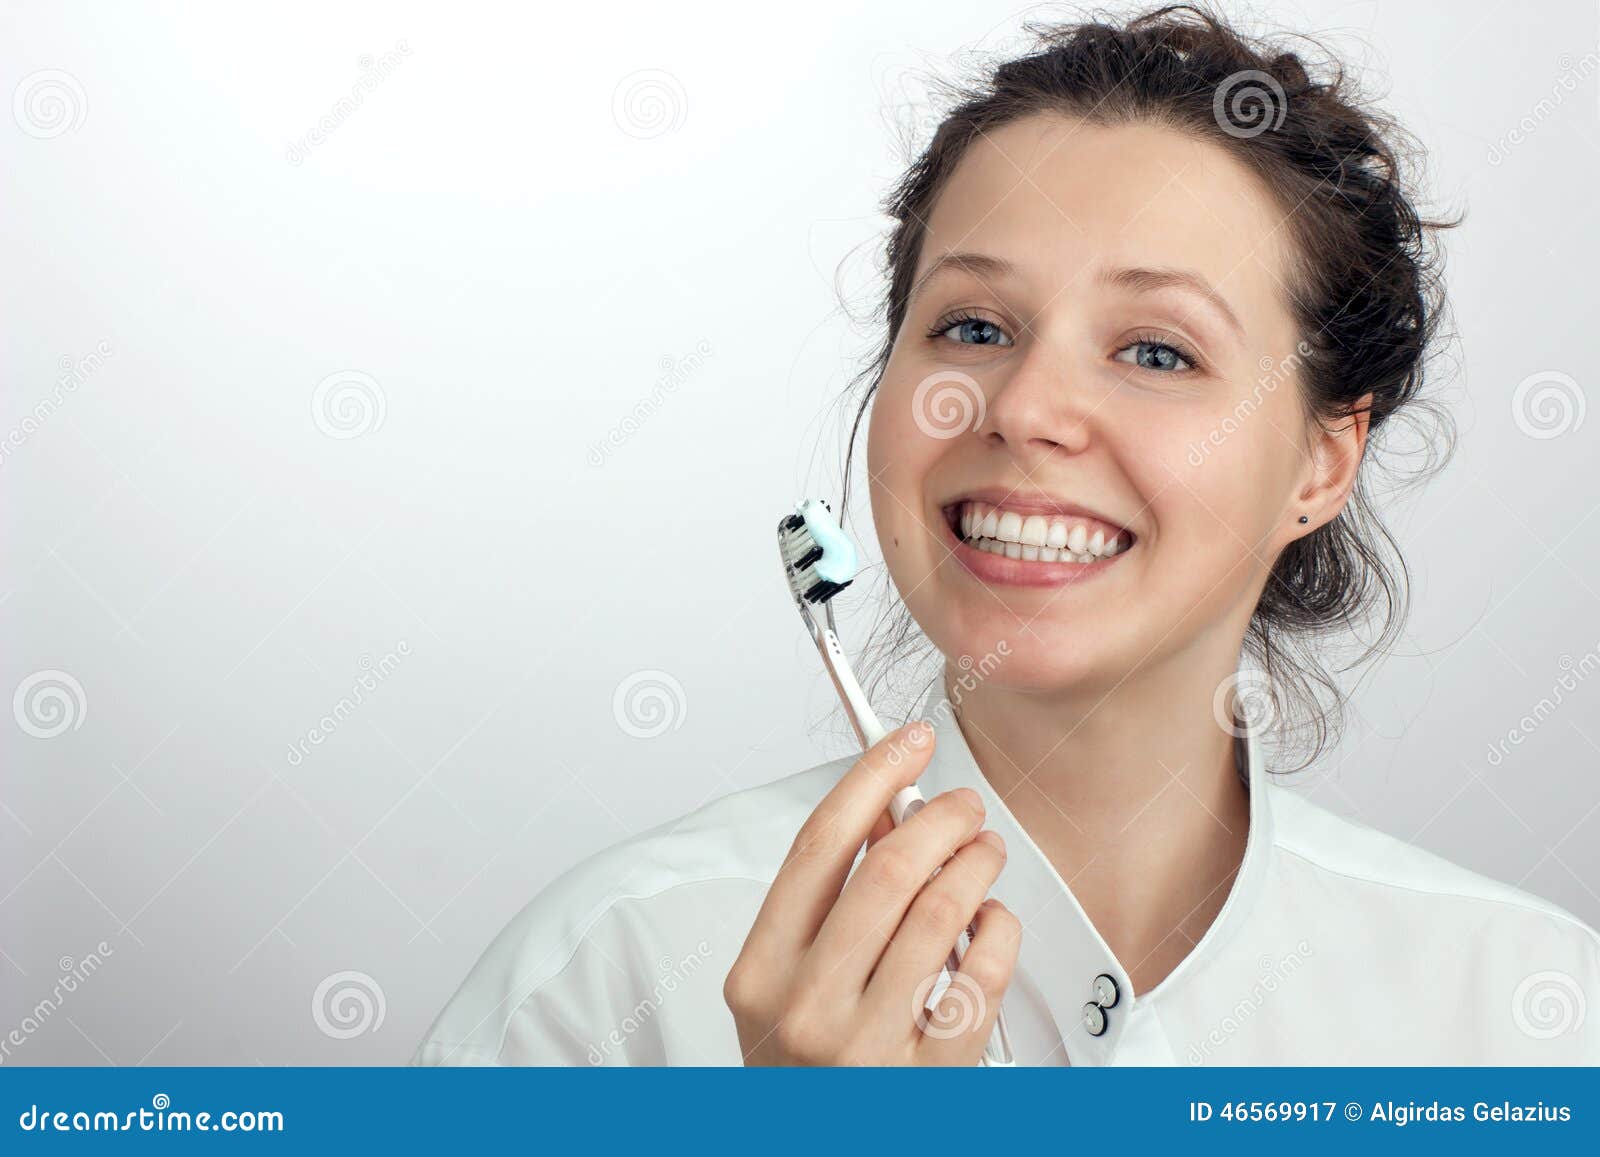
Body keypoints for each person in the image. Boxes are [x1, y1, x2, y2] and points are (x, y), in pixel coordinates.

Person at [413, 4, 1600, 1066]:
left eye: (1155, 351)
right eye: (973, 326)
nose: (1023, 409)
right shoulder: (602, 985)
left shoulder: (1529, 1016)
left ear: (1321, 458)